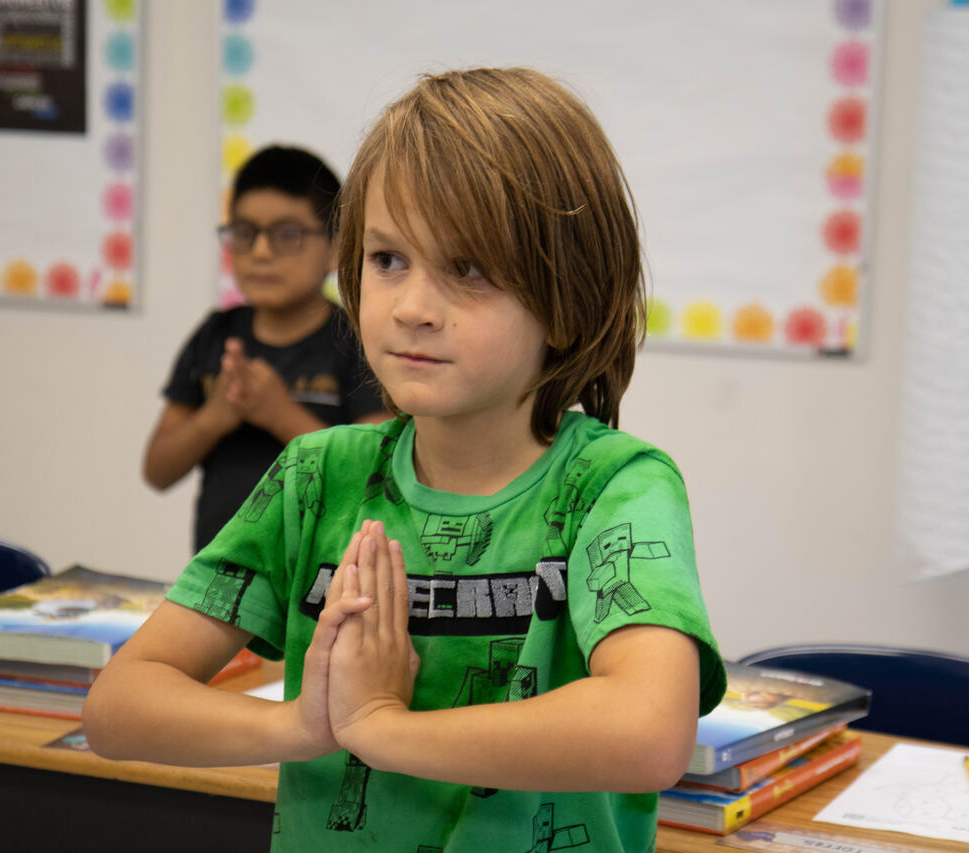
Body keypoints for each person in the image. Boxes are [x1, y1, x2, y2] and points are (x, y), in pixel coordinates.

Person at [86, 68, 726, 851]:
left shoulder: (615, 486)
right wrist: (303, 723)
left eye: (468, 269)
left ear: (566, 294)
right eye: (388, 259)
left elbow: (650, 731)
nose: (414, 306)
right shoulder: (316, 475)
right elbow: (117, 707)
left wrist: (380, 728)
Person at [142, 145, 387, 553]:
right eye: (244, 232)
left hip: (319, 584)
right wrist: (215, 417)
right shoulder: (215, 335)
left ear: (335, 247)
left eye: (287, 234)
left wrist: (280, 414)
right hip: (216, 579)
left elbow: (375, 477)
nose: (259, 252)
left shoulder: (357, 341)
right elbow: (158, 469)